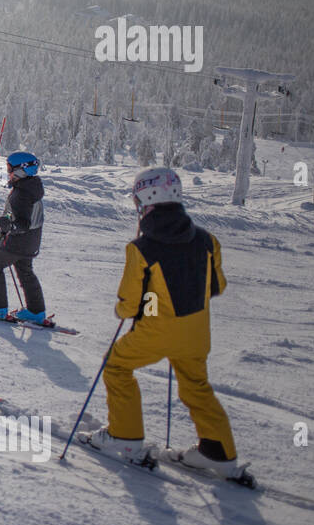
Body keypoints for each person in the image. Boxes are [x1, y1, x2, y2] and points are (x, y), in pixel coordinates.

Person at [81, 167, 242, 478]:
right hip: (196, 332)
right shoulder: (208, 241)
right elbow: (217, 286)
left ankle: (125, 438)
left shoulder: (141, 248)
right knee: (196, 386)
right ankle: (218, 450)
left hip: (156, 331)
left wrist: (146, 307)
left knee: (116, 366)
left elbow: (129, 306)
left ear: (144, 200)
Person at [0, 151, 47, 323]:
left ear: (22, 169)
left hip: (19, 242)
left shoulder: (22, 193)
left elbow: (22, 223)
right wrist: (5, 230)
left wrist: (8, 226)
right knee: (25, 271)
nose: (8, 172)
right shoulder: (31, 188)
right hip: (31, 241)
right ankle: (36, 312)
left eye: (10, 168)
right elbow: (19, 218)